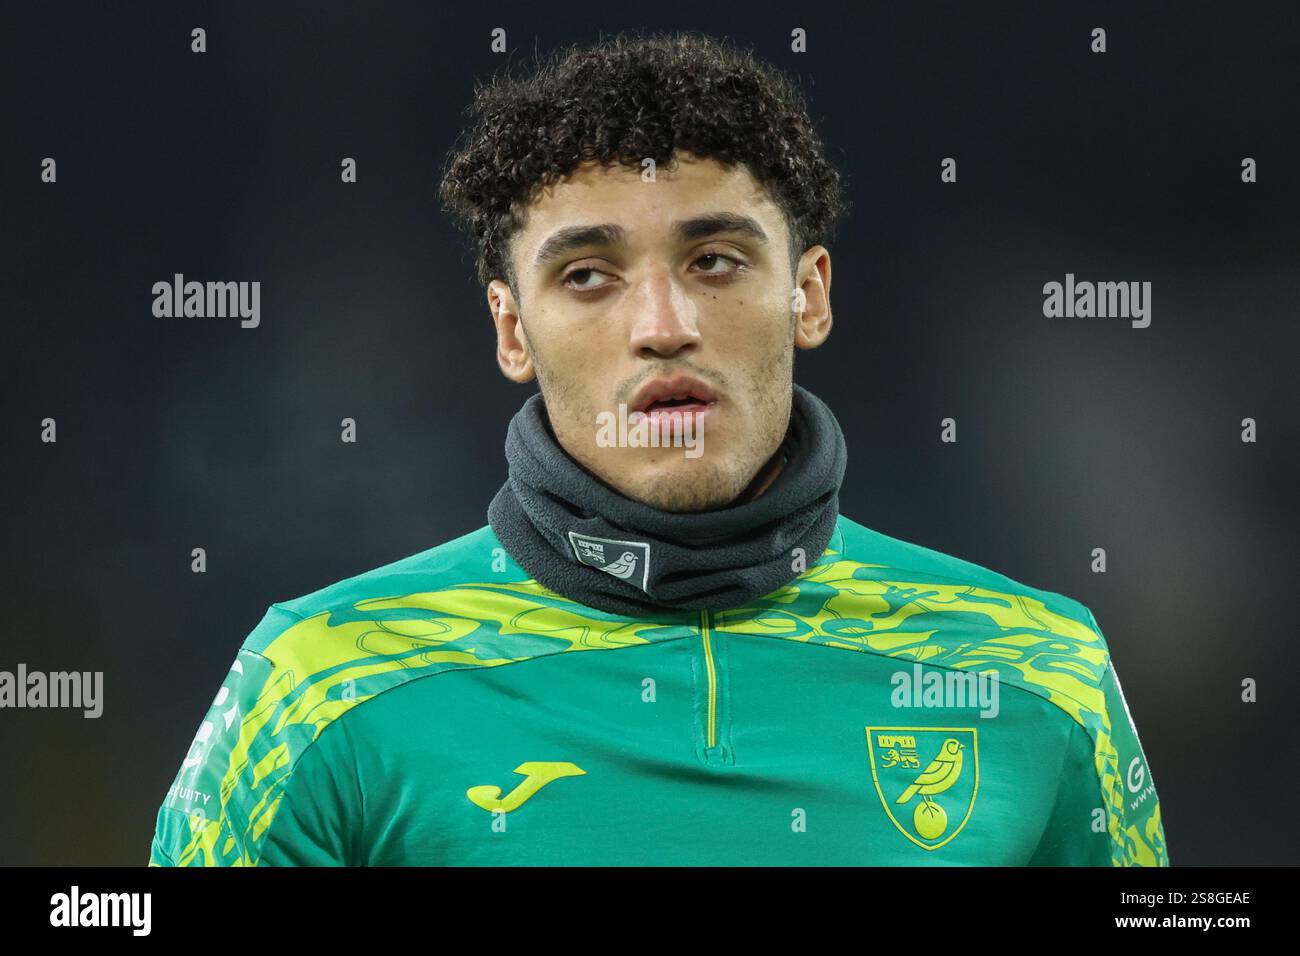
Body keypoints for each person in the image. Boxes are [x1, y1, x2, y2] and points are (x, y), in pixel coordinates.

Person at [148, 31, 1168, 866]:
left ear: (807, 293)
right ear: (511, 329)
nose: (663, 322)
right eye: (587, 275)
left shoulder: (1041, 671)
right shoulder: (317, 682)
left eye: (715, 259)